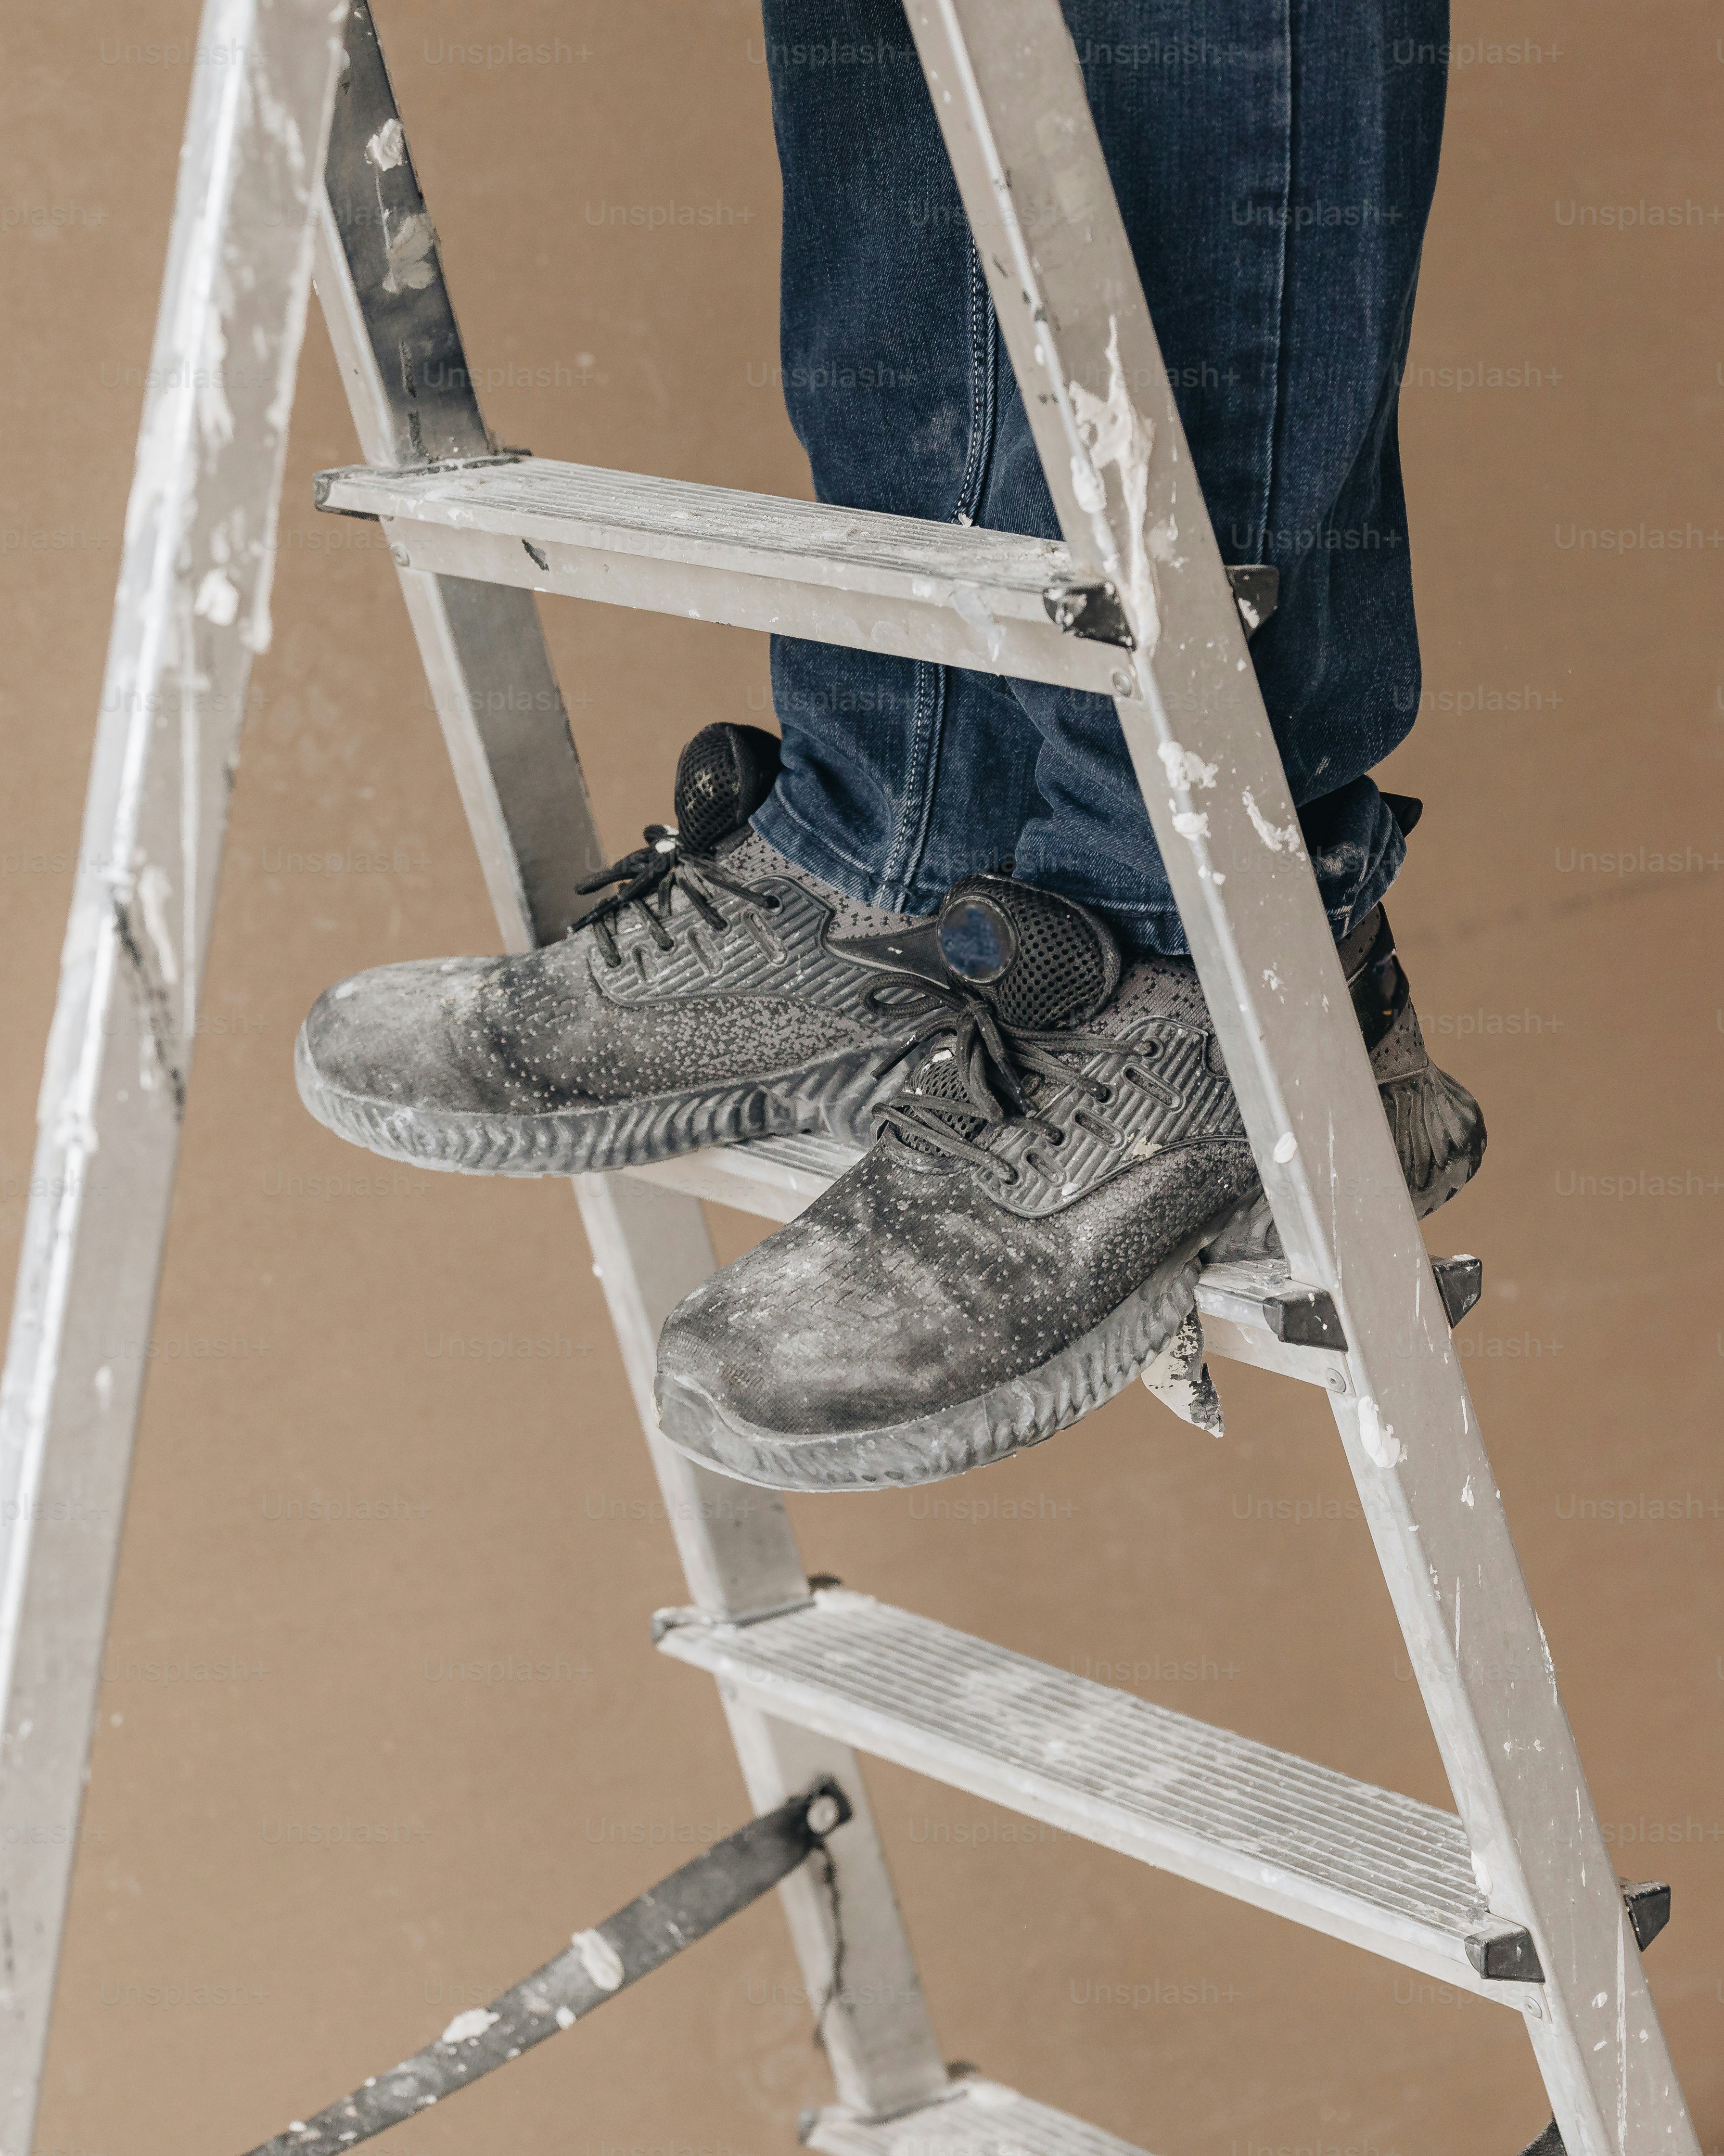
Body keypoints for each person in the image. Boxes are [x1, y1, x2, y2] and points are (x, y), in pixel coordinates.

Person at [290, 1, 1480, 1492]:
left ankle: (1173, 959)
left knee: (1177, 59)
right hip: (903, 770)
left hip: (1209, 882)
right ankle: (892, 841)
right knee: (897, 69)